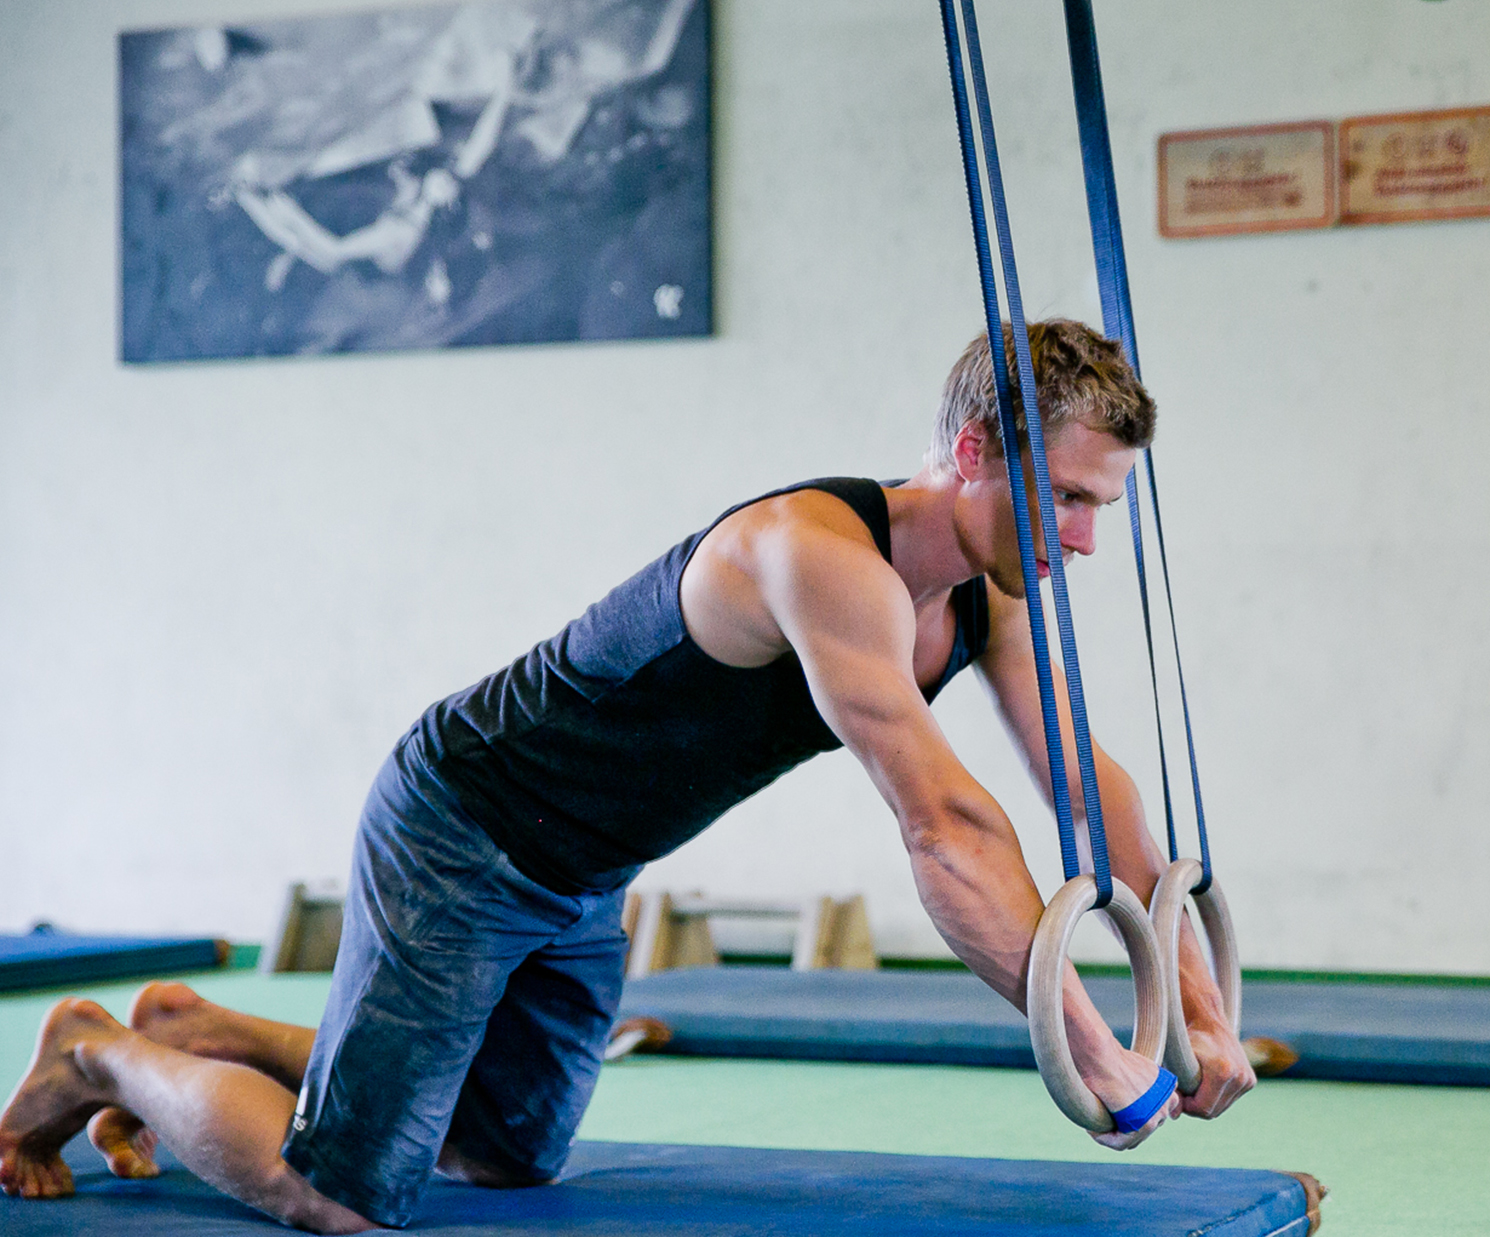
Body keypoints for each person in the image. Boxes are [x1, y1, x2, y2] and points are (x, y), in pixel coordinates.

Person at [0, 320, 1255, 1231]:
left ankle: (196, 1028)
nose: (1085, 539)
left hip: (585, 870)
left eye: (1103, 510)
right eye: (1071, 499)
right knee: (343, 1196)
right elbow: (946, 824)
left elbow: (1085, 790)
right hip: (463, 824)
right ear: (978, 446)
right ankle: (104, 1053)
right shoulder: (816, 553)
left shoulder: (988, 595)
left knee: (505, 1154)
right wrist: (1099, 1055)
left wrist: (1193, 1008)